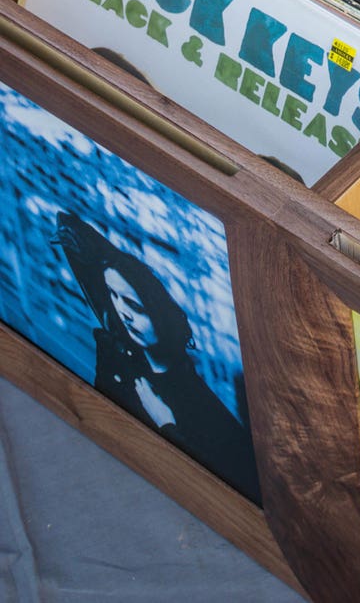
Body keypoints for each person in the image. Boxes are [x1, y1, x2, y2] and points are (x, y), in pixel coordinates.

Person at [53, 213, 260, 502]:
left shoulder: (201, 406)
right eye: (114, 297)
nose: (123, 313)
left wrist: (165, 423)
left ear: (161, 316)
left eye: (134, 306)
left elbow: (217, 488)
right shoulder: (117, 358)